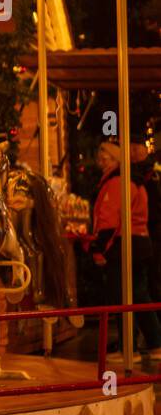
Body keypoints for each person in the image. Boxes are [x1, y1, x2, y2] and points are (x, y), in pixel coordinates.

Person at [89, 139, 161, 359]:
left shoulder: (117, 182)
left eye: (106, 158)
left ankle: (128, 347)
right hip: (140, 242)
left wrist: (98, 248)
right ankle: (154, 343)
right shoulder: (134, 180)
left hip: (123, 243)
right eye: (100, 158)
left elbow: (110, 220)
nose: (102, 162)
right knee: (139, 294)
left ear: (116, 160)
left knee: (122, 296)